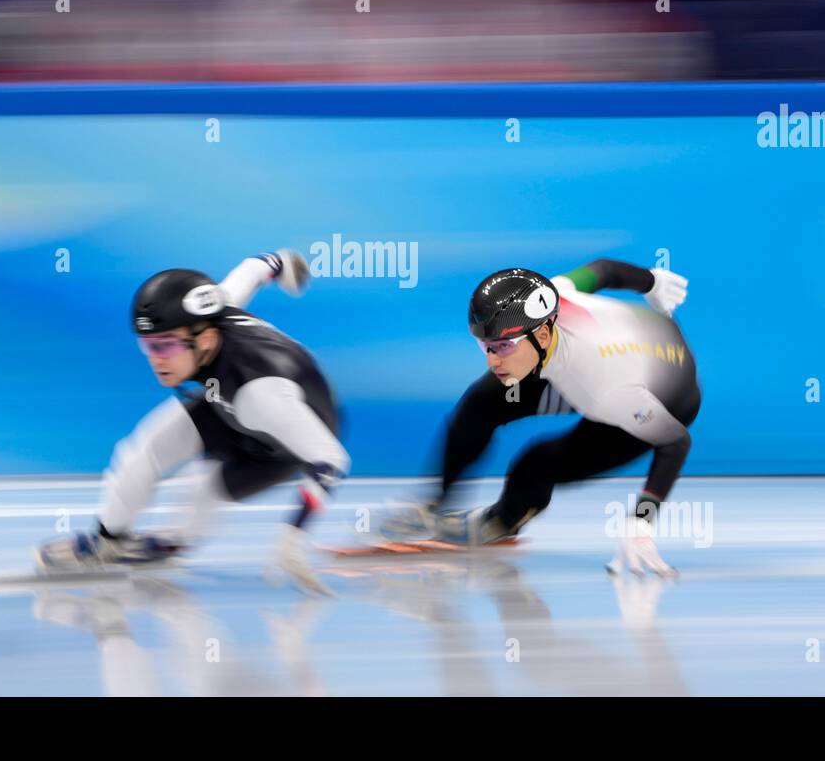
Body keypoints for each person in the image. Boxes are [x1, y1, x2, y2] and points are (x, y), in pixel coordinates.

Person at [38, 250, 347, 592]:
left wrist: (293, 536)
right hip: (228, 394)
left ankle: (173, 543)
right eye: (148, 346)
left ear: (207, 340)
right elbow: (254, 268)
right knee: (144, 450)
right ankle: (107, 541)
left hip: (284, 441)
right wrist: (285, 262)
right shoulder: (215, 308)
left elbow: (331, 459)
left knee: (202, 489)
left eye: (166, 346)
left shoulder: (261, 397)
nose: (156, 360)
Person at [383, 260, 700, 577]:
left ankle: (500, 522)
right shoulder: (552, 295)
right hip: (622, 350)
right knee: (482, 401)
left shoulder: (604, 388)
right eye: (485, 346)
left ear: (544, 334)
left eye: (503, 347)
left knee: (536, 464)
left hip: (662, 396)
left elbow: (676, 443)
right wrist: (652, 282)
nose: (492, 360)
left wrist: (641, 521)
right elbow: (604, 270)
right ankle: (435, 504)